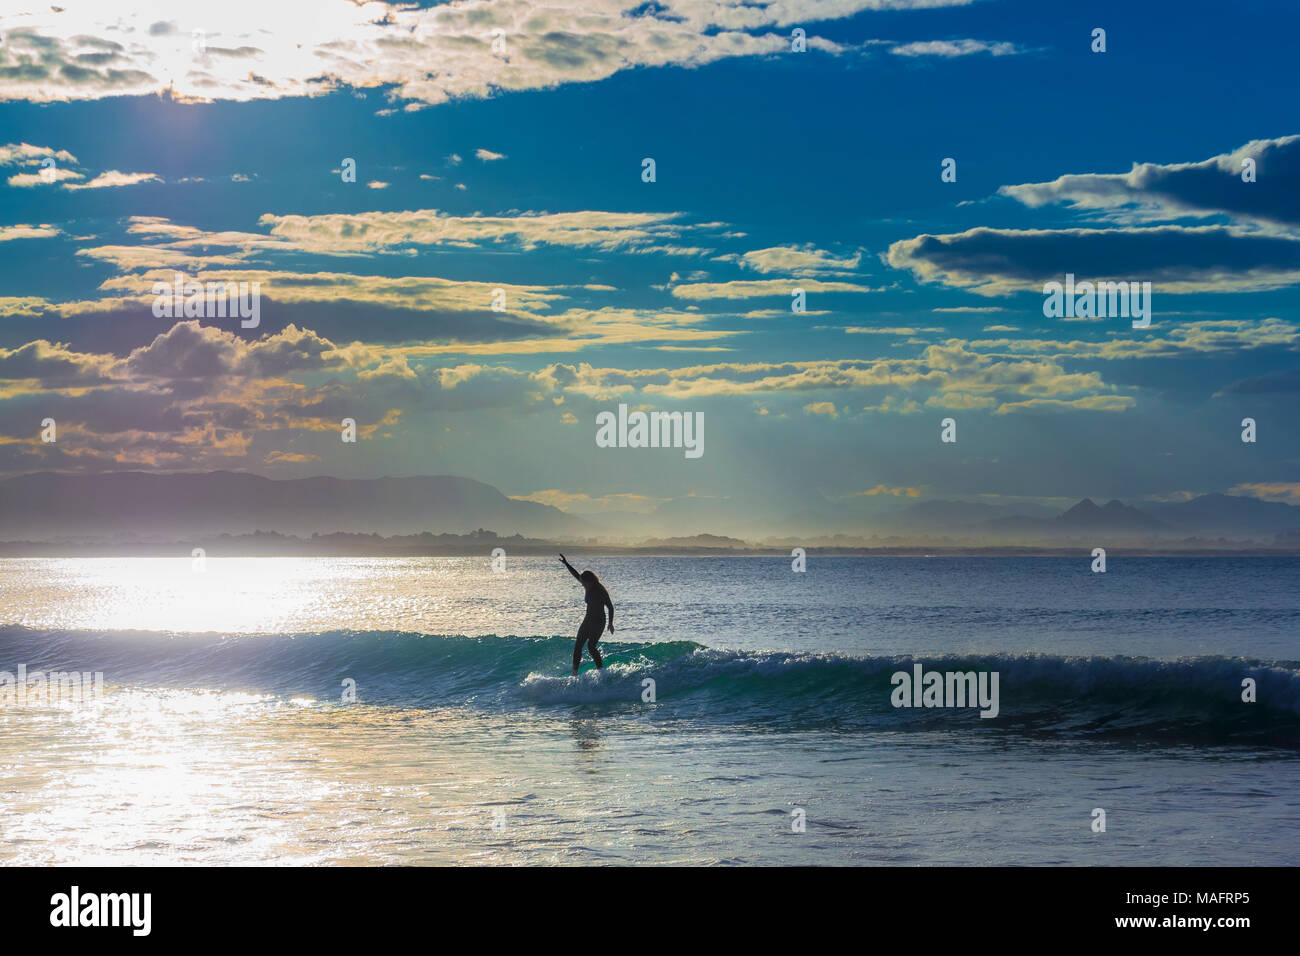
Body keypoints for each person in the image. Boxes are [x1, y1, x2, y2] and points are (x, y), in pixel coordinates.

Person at [559, 554, 613, 674]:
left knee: (591, 646)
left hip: (599, 622)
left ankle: (601, 671)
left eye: (584, 583)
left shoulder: (600, 590)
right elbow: (576, 575)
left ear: (590, 581)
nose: (582, 584)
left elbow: (610, 607)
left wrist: (610, 623)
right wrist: (566, 564)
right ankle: (574, 673)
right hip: (588, 620)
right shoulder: (588, 587)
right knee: (578, 646)